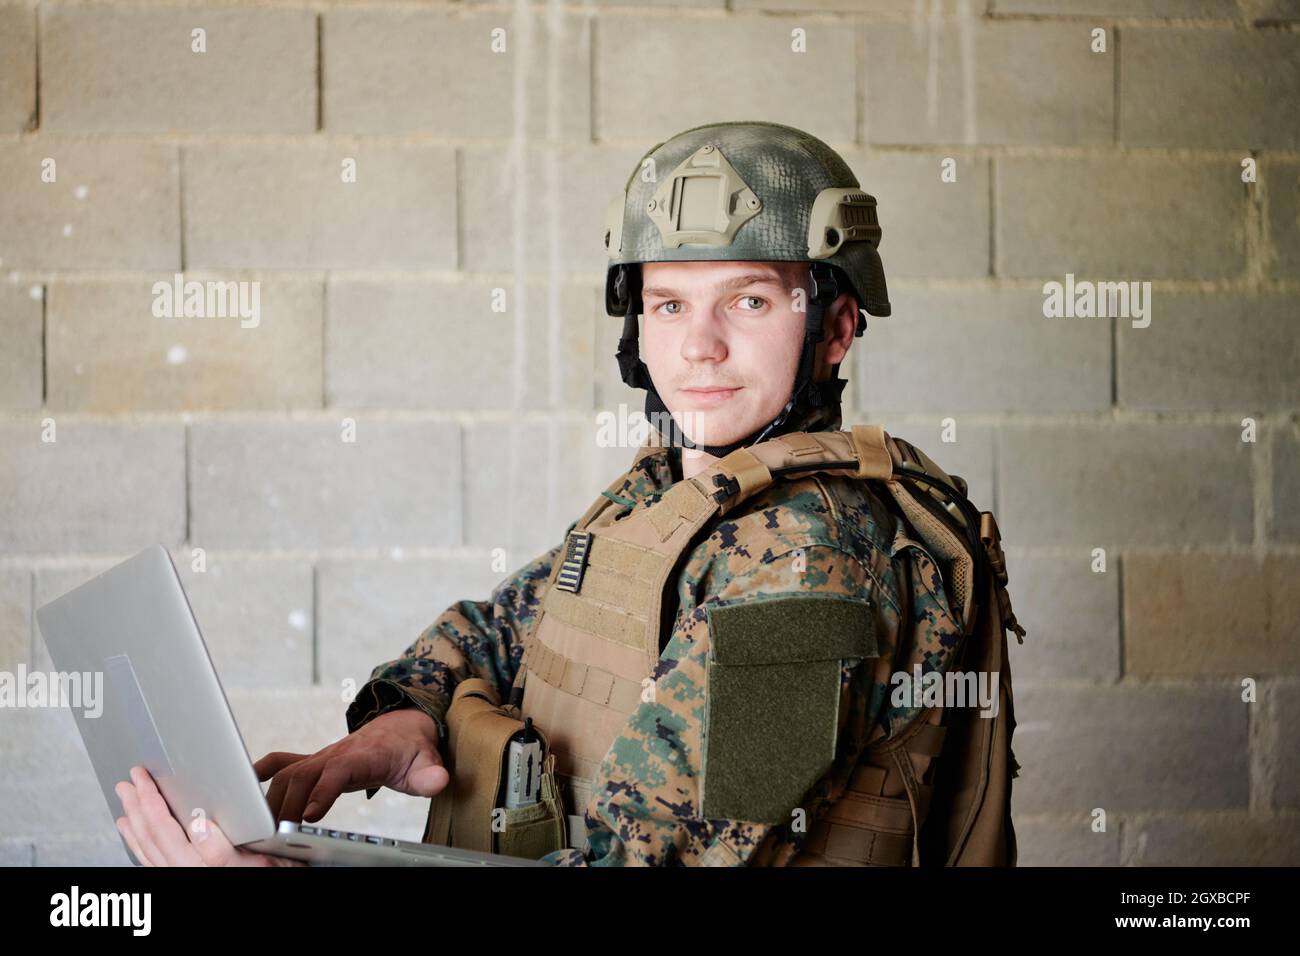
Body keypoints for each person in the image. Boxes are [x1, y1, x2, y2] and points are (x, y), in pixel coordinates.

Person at [115, 120, 1021, 868]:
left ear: (834, 328)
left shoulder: (815, 563)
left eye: (747, 302)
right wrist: (401, 718)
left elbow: (646, 861)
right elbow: (505, 626)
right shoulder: (671, 493)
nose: (697, 347)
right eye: (669, 305)